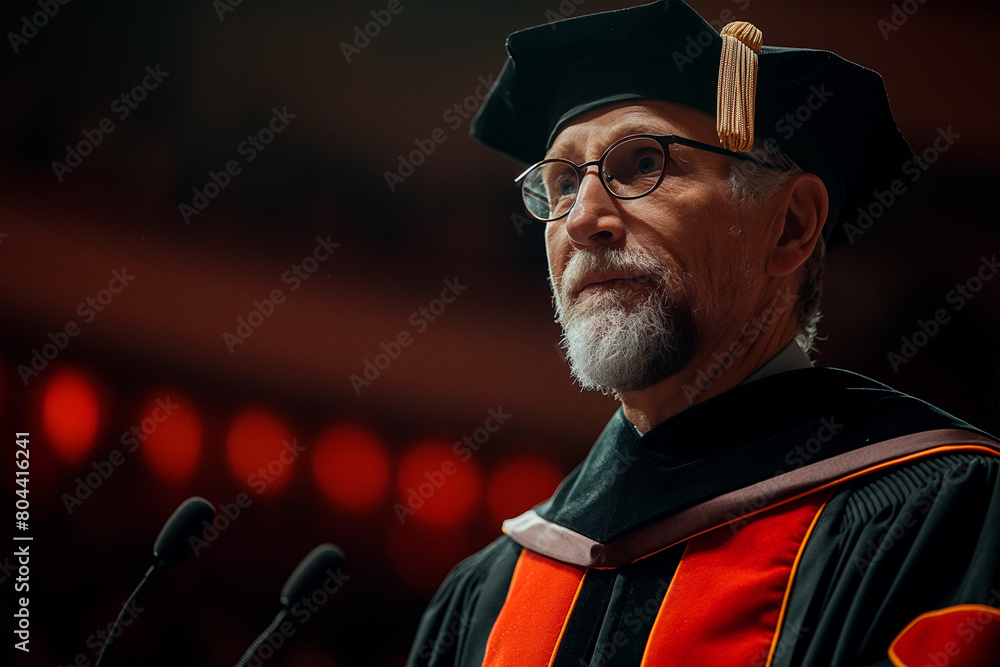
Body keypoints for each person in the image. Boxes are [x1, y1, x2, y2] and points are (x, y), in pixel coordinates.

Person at [407, 1, 1000, 665]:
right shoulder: (486, 593)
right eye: (562, 182)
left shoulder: (935, 517)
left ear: (791, 226)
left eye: (642, 164)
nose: (582, 220)